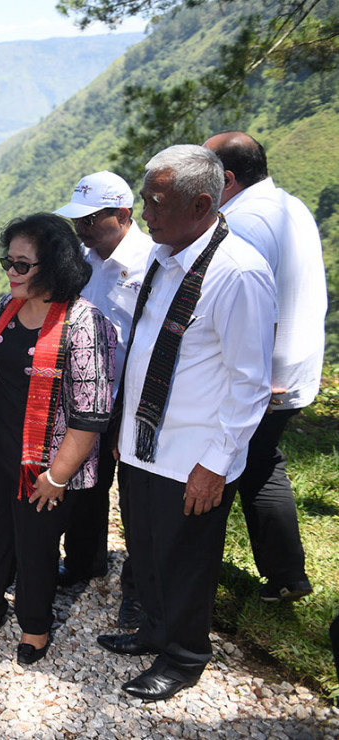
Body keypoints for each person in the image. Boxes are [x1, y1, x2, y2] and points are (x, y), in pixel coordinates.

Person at [97, 145, 276, 702]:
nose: (145, 214)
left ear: (201, 203)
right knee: (146, 548)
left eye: (155, 202)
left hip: (192, 454)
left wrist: (216, 464)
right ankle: (154, 628)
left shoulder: (237, 273)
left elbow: (249, 383)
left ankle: (185, 655)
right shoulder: (162, 253)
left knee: (186, 559)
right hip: (143, 441)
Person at [0, 213, 116, 665]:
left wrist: (58, 475)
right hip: (1, 449)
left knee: (36, 544)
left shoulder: (84, 324)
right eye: (8, 262)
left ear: (53, 265)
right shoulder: (5, 309)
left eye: (23, 265)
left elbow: (90, 415)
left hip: (48, 462)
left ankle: (35, 625)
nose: (11, 272)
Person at [203, 131, 325, 603]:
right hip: (294, 366)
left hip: (264, 374)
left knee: (220, 468)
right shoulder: (290, 205)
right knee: (262, 465)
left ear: (227, 178)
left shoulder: (244, 223)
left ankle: (192, 578)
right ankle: (287, 575)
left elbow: (253, 306)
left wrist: (253, 380)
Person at [54, 171, 154, 630]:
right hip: (86, 395)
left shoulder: (152, 262)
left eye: (93, 218)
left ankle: (139, 593)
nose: (84, 227)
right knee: (84, 483)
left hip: (131, 399)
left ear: (123, 215)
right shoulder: (80, 257)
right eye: (79, 218)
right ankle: (82, 562)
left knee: (136, 499)